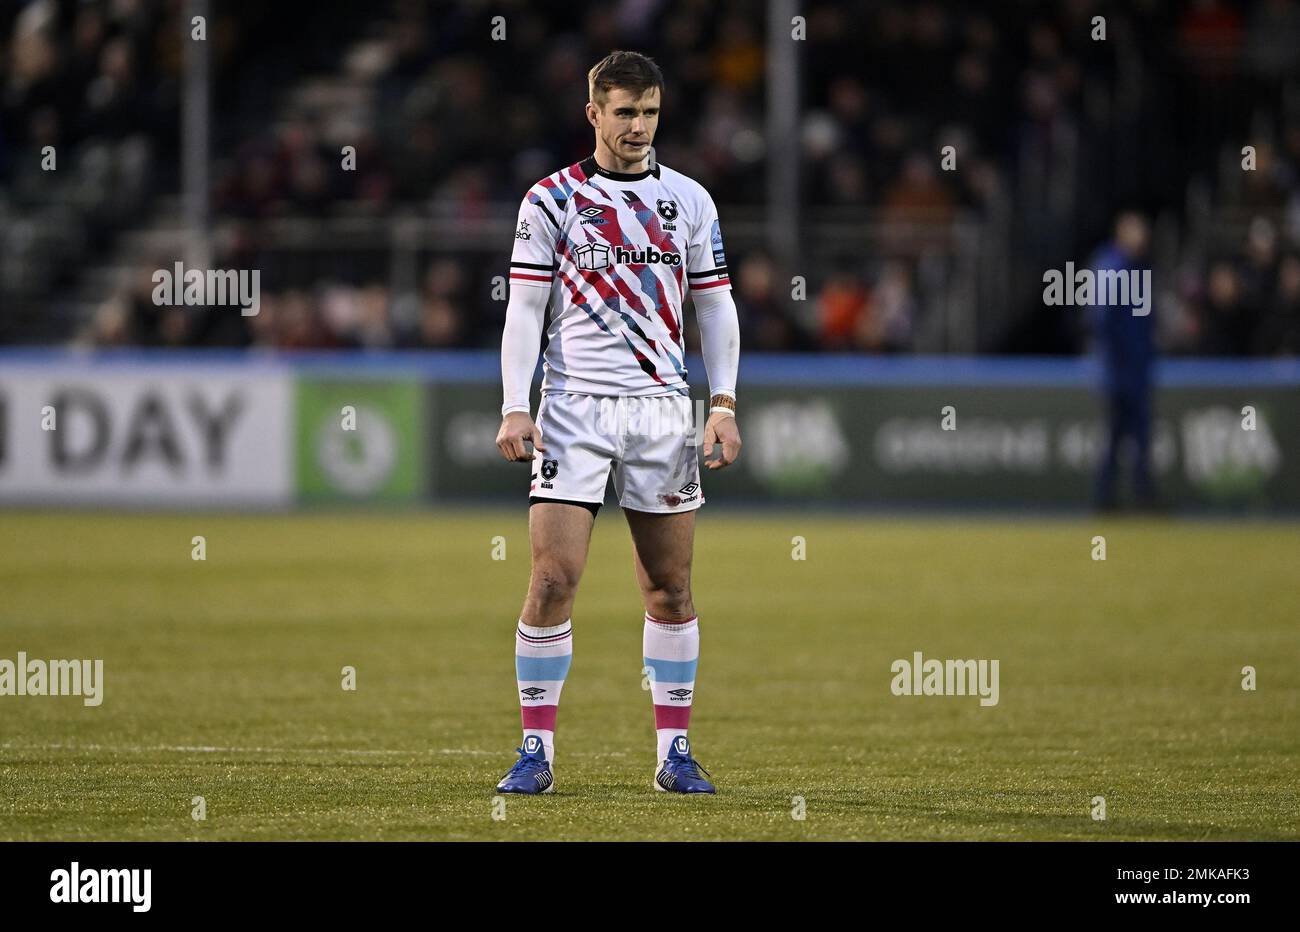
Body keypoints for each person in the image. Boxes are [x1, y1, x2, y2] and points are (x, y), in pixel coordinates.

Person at [493, 51, 742, 794]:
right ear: (593, 113)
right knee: (551, 578)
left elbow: (716, 305)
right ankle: (536, 752)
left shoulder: (690, 200)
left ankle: (674, 756)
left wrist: (722, 403)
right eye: (625, 112)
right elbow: (526, 309)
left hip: (664, 409)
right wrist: (516, 401)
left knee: (669, 587)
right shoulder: (551, 199)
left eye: (650, 112)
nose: (638, 127)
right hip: (572, 409)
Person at [1091, 210, 1157, 510]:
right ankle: (1108, 497)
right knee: (1120, 436)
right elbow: (1102, 321)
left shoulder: (1134, 268)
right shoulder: (1113, 268)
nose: (1141, 237)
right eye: (1135, 231)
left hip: (1138, 368)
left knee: (1135, 436)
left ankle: (1138, 495)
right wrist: (1117, 364)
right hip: (1121, 371)